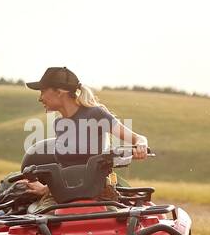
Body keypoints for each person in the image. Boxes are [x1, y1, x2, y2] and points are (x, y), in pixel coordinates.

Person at [21, 66, 149, 210]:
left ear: (59, 92)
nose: (40, 98)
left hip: (98, 194)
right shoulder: (59, 124)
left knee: (116, 222)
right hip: (63, 196)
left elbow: (138, 138)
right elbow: (68, 170)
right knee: (38, 221)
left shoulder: (96, 115)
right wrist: (46, 189)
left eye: (43, 91)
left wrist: (141, 145)